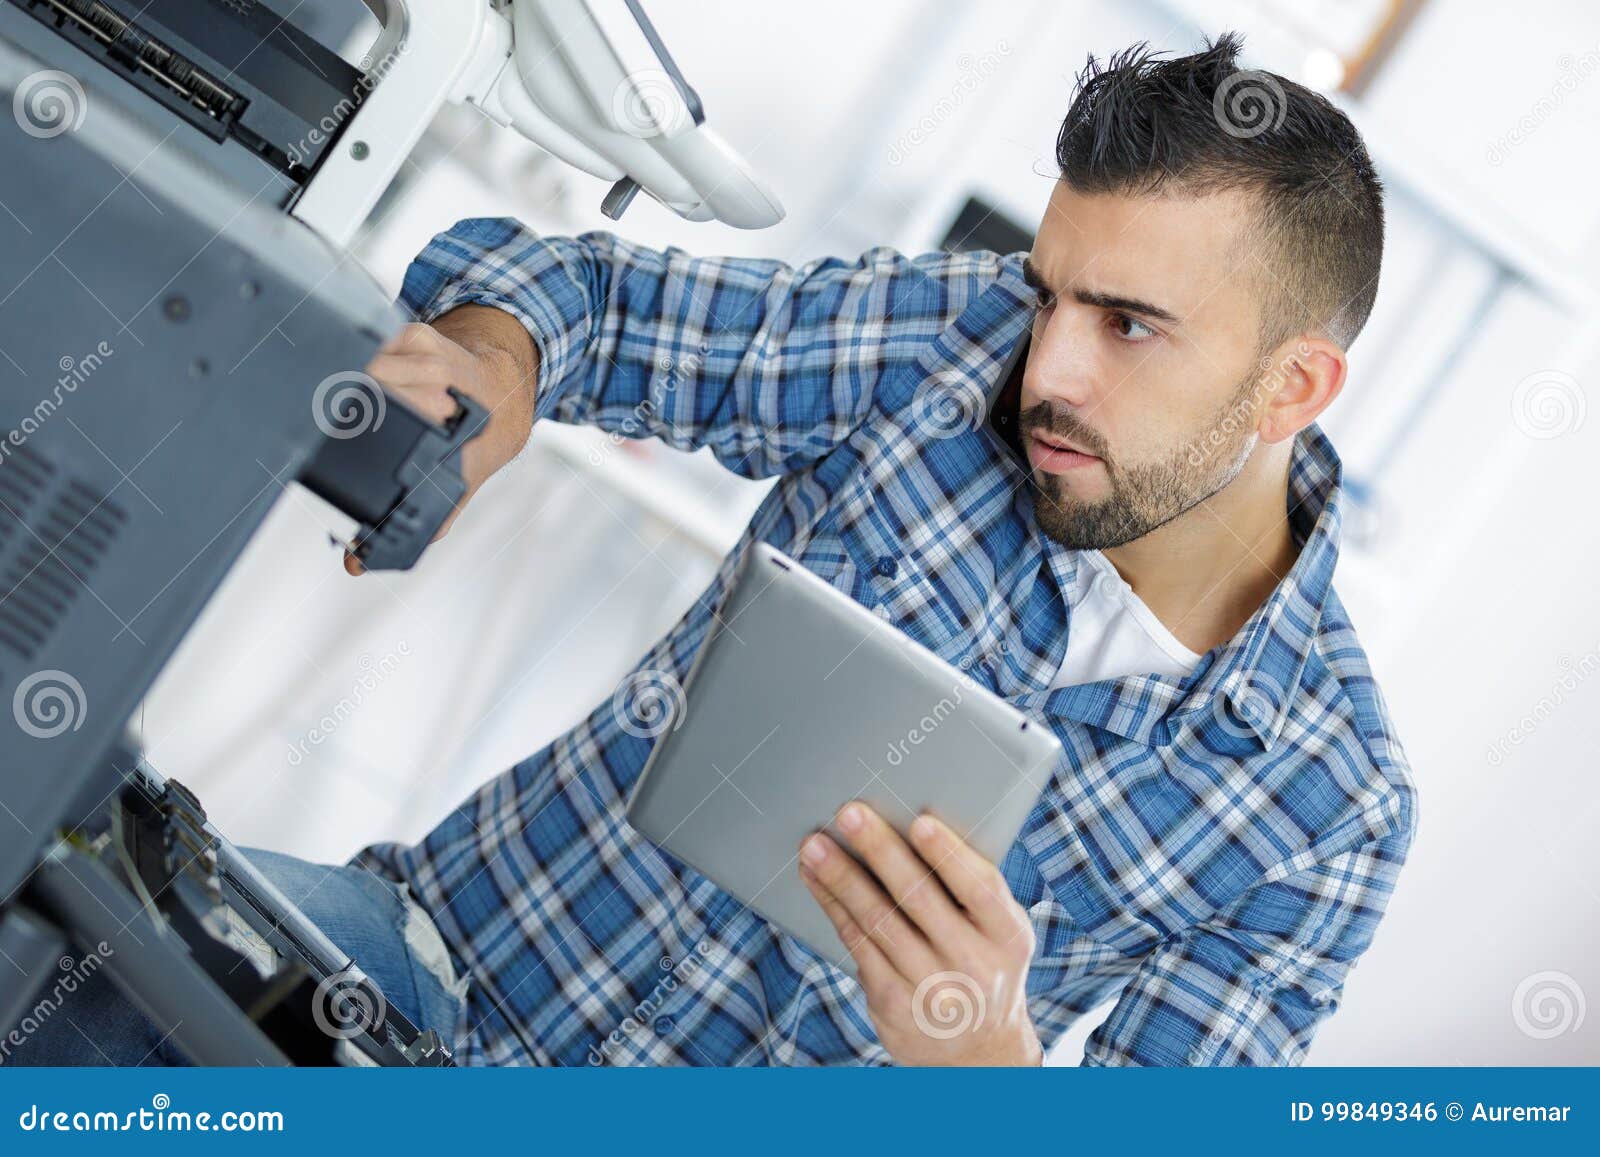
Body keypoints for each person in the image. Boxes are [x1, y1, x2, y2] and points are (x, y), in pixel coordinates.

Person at [15, 32, 1414, 1067]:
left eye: (1130, 326)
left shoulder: (1327, 810)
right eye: (1051, 295)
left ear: (1292, 388)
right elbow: (596, 301)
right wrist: (501, 366)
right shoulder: (955, 339)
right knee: (59, 978)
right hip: (421, 969)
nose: (1045, 366)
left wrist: (981, 1060)